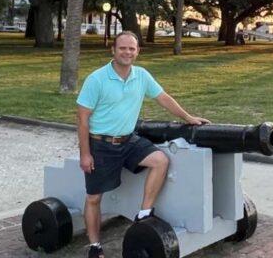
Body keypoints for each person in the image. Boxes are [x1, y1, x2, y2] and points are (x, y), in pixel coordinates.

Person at [76, 31, 210, 258]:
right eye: (123, 48)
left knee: (160, 160)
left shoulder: (141, 76)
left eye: (132, 49)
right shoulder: (96, 79)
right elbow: (82, 119)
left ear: (137, 51)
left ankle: (144, 212)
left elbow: (163, 98)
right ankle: (95, 246)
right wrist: (85, 155)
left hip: (128, 140)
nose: (127, 52)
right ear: (113, 50)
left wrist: (188, 118)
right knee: (94, 198)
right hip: (101, 145)